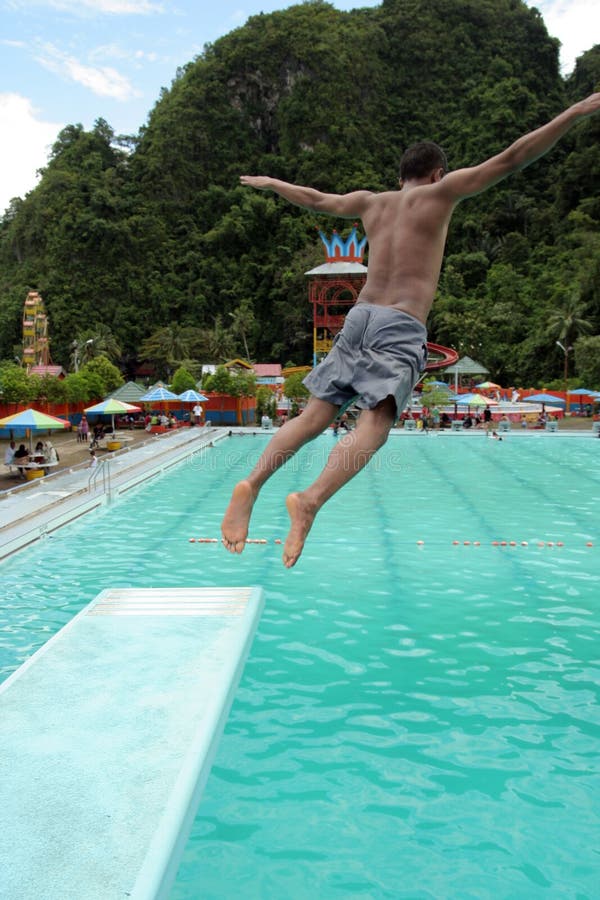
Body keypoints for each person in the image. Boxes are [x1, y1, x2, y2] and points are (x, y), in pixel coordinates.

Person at [222, 93, 600, 567]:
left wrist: (272, 182)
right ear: (438, 173)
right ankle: (311, 501)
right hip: (400, 324)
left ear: (399, 176)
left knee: (313, 416)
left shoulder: (371, 203)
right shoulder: (442, 193)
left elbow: (316, 199)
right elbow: (513, 157)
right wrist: (575, 112)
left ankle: (252, 484)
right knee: (375, 424)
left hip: (358, 316)